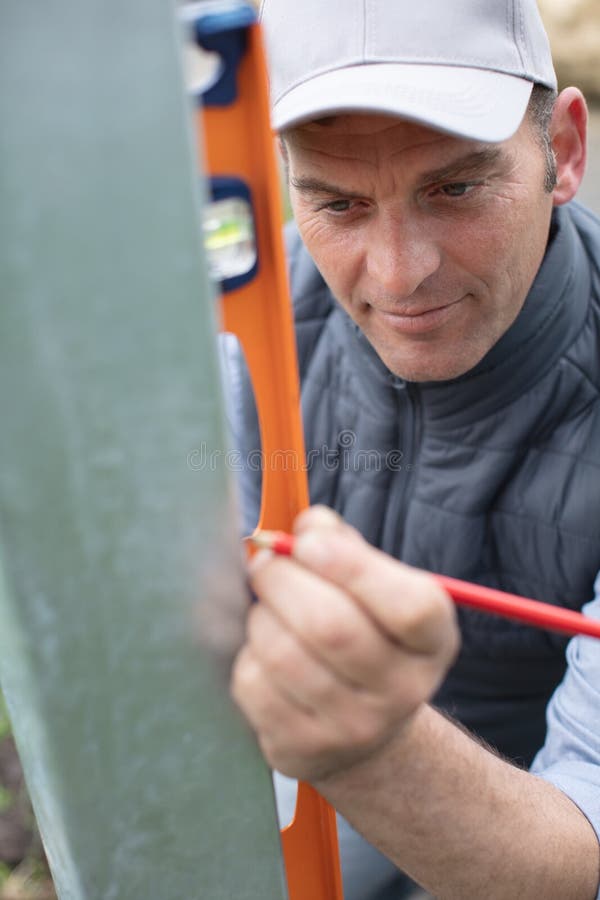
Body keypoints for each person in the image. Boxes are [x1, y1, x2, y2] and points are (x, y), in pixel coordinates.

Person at [229, 0, 600, 896]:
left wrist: (371, 748)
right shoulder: (246, 335)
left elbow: (582, 855)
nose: (399, 276)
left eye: (456, 188)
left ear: (566, 150)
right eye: (339, 203)